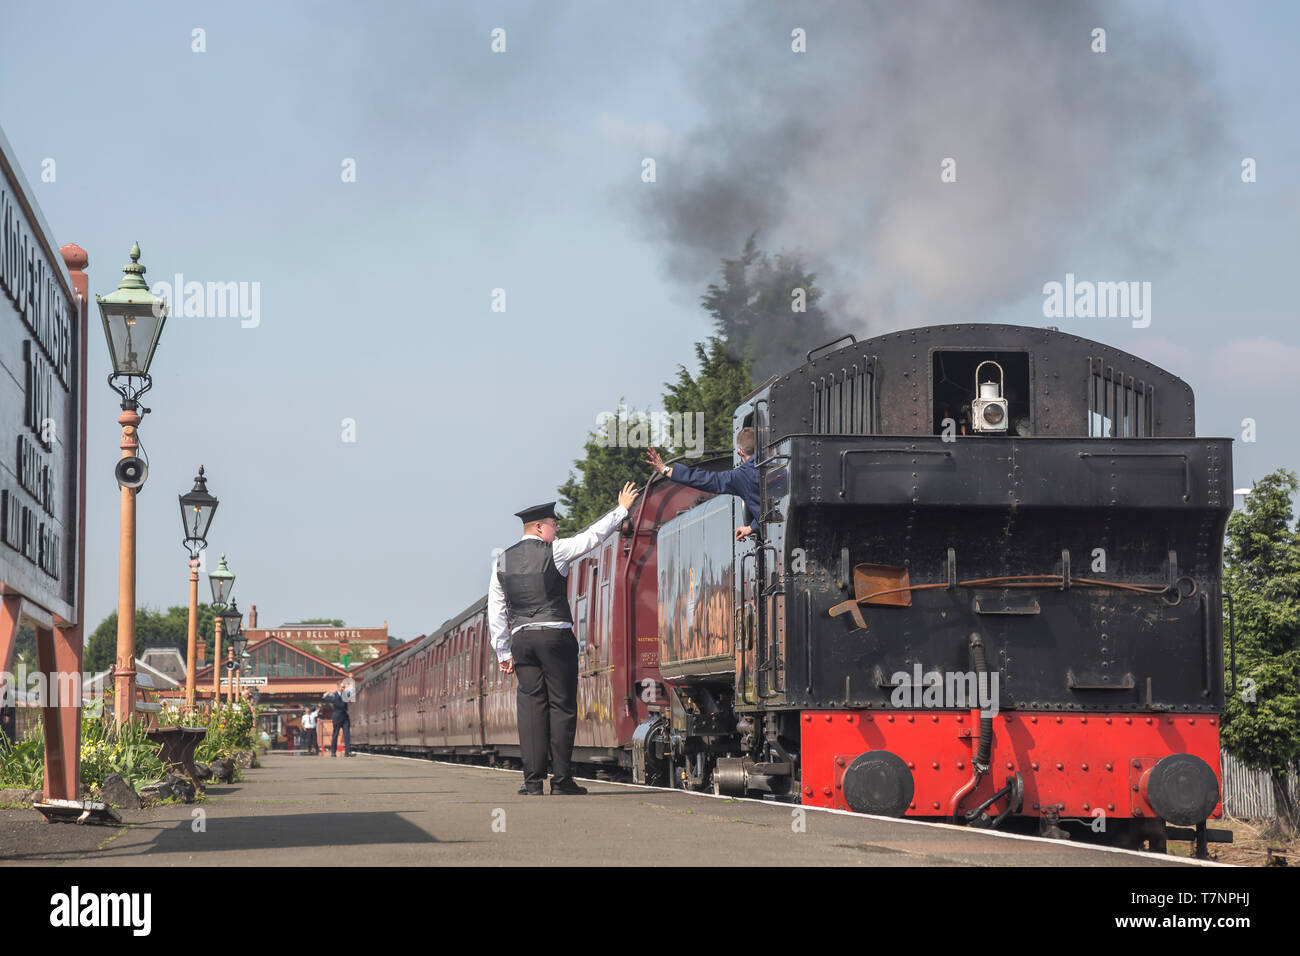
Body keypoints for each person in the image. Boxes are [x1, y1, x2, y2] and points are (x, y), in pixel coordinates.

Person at [489, 481, 639, 796]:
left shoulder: (501, 560)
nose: (557, 530)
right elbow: (594, 537)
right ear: (541, 527)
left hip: (522, 640)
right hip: (555, 636)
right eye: (554, 525)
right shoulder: (555, 550)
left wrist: (503, 651)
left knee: (530, 708)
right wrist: (622, 508)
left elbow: (496, 609)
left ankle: (532, 783)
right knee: (561, 706)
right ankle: (561, 780)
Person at [646, 426, 761, 540]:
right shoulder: (776, 461)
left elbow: (706, 479)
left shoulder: (741, 476)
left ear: (740, 452)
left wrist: (666, 470)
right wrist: (752, 527)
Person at [324, 684, 351, 757]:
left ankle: (347, 752)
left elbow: (350, 691)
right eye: (342, 687)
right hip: (337, 717)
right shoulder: (334, 695)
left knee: (347, 735)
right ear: (339, 687)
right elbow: (324, 697)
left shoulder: (346, 694)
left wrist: (349, 687)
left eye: (344, 687)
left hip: (345, 716)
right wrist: (329, 691)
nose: (343, 688)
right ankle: (333, 752)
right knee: (335, 734)